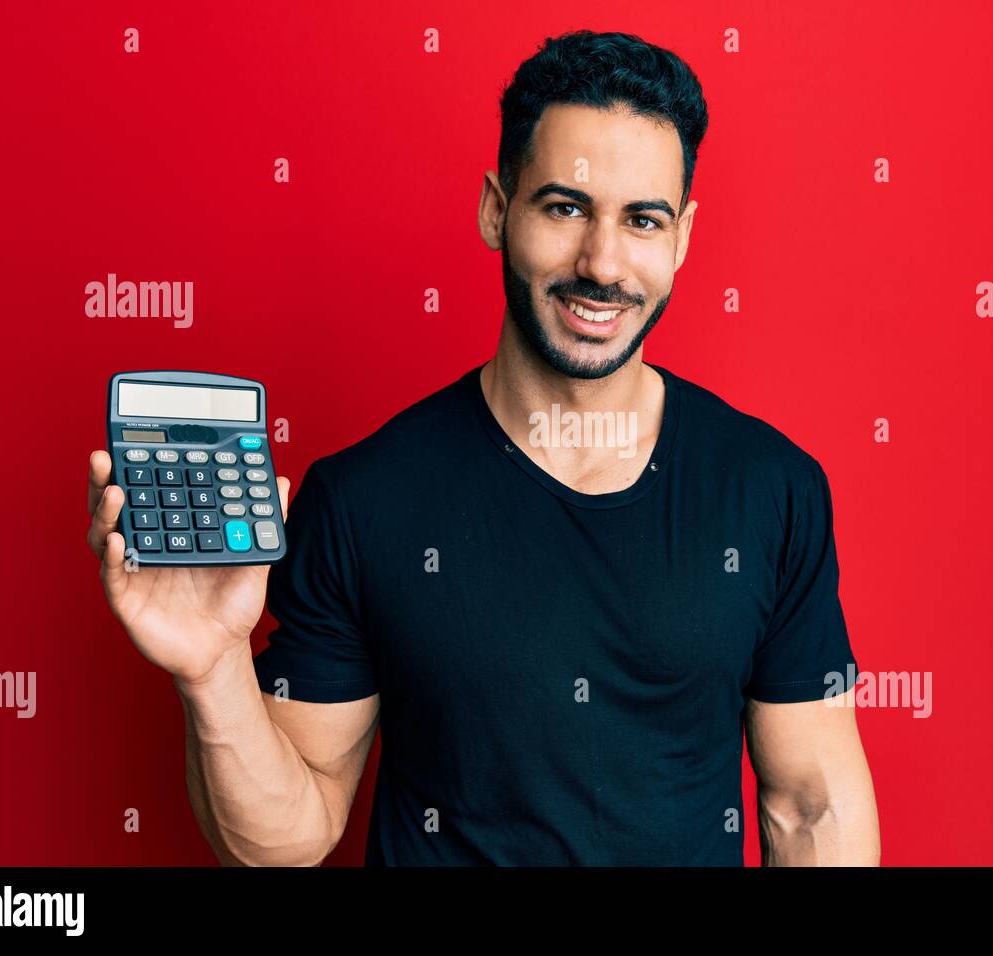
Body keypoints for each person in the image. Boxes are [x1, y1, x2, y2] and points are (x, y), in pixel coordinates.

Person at [85, 29, 879, 866]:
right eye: (564, 207)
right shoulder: (363, 499)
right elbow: (282, 839)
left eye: (641, 220)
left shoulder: (771, 490)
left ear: (680, 237)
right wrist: (213, 673)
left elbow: (810, 806)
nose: (602, 263)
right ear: (497, 209)